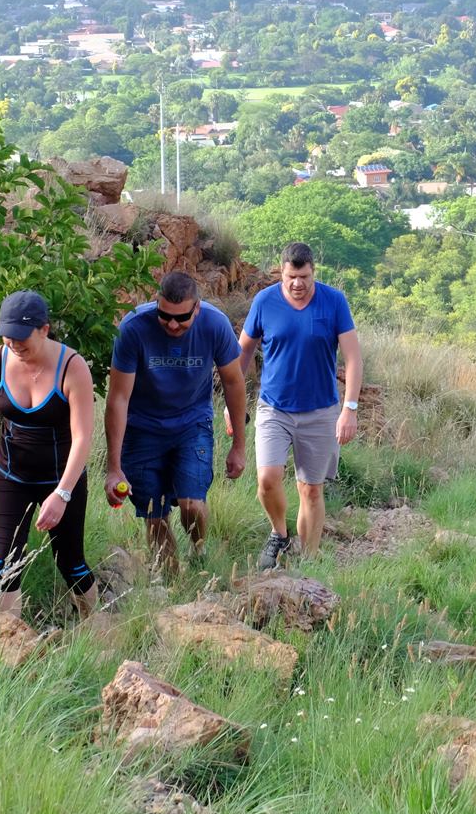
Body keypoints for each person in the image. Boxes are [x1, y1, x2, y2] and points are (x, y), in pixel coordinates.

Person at [0, 290, 99, 618]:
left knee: (70, 562)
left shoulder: (72, 368)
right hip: (11, 475)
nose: (14, 345)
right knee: (5, 564)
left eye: (22, 338)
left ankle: (97, 630)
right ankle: (6, 644)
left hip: (62, 478)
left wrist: (62, 494)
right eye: (8, 337)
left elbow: (82, 438)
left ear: (44, 329)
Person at [104, 272, 247, 573]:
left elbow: (234, 382)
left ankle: (199, 554)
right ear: (156, 303)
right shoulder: (133, 329)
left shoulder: (215, 324)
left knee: (191, 504)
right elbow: (118, 398)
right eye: (164, 315)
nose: (171, 324)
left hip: (191, 424)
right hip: (142, 428)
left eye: (181, 318)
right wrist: (113, 467)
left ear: (197, 308)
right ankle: (170, 579)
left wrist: (239, 447)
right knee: (154, 515)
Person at [236, 242, 362, 569]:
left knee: (311, 490)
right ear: (282, 273)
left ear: (313, 273)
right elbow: (243, 352)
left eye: (304, 276)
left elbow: (352, 357)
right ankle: (279, 533)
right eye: (292, 276)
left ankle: (307, 563)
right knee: (267, 479)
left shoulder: (333, 301)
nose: (298, 284)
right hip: (274, 408)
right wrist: (232, 405)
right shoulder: (265, 301)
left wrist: (350, 408)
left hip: (321, 411)